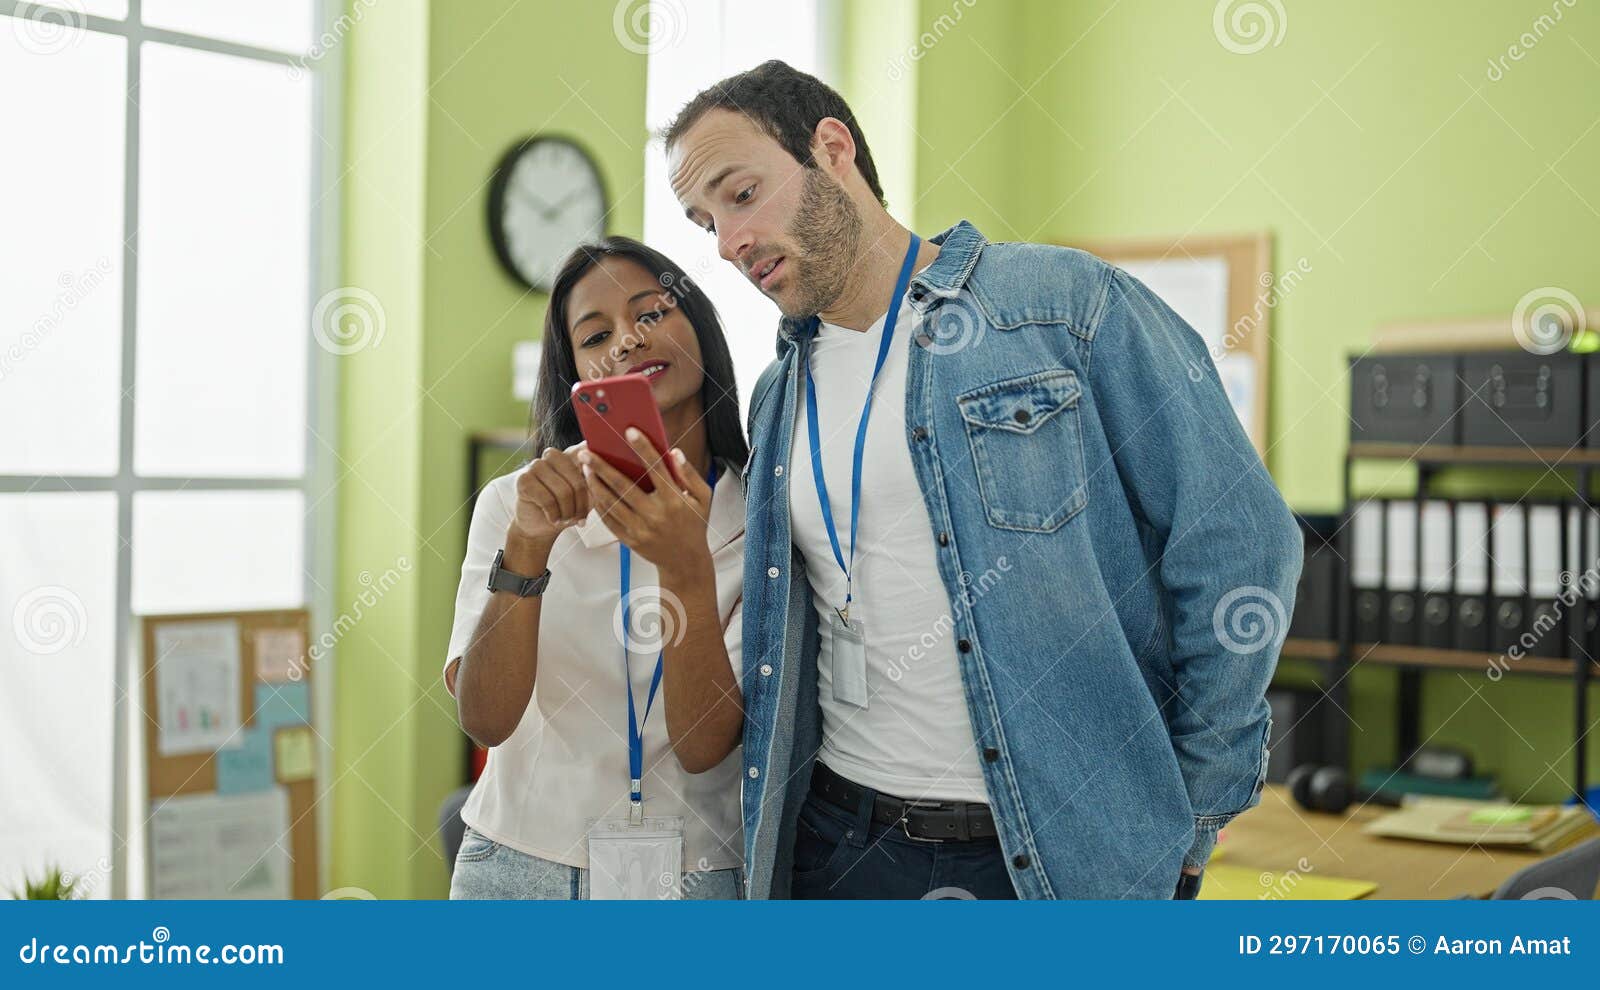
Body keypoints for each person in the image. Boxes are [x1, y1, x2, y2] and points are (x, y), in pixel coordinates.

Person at [663, 60, 1301, 900]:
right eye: (704, 221)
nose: (727, 242)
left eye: (740, 195)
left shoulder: (1062, 306)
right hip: (839, 847)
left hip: (1058, 856)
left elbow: (1240, 544)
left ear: (831, 150)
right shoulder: (780, 394)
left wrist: (1193, 812)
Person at [444, 237, 749, 899]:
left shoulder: (762, 517)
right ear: (577, 377)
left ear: (699, 326)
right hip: (519, 867)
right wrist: (528, 548)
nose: (629, 341)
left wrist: (685, 567)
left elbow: (705, 747)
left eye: (651, 312)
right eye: (595, 334)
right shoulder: (516, 504)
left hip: (696, 873)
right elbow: (486, 720)